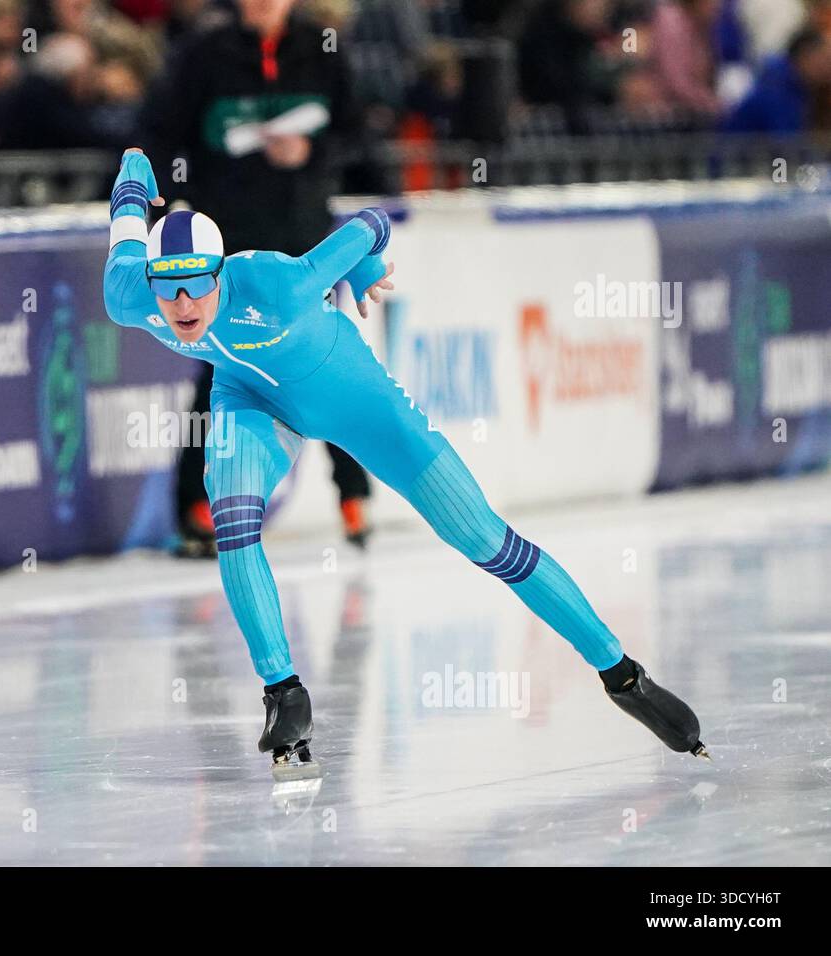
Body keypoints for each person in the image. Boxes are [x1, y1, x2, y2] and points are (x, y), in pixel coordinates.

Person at [103, 147, 709, 776]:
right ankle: (284, 693)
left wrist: (361, 268)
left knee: (485, 541)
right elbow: (123, 232)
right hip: (249, 398)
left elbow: (372, 220)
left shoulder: (280, 285)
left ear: (219, 272)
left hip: (357, 402)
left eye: (195, 284)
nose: (181, 305)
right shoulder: (131, 296)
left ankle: (623, 675)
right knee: (232, 520)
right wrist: (133, 178)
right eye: (166, 288)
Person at [137, 0, 380, 557]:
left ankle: (352, 495)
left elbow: (360, 136)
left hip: (303, 245)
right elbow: (156, 132)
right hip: (228, 244)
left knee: (323, 362)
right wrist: (164, 204)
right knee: (221, 370)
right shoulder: (202, 55)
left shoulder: (322, 50)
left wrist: (311, 150)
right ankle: (200, 508)